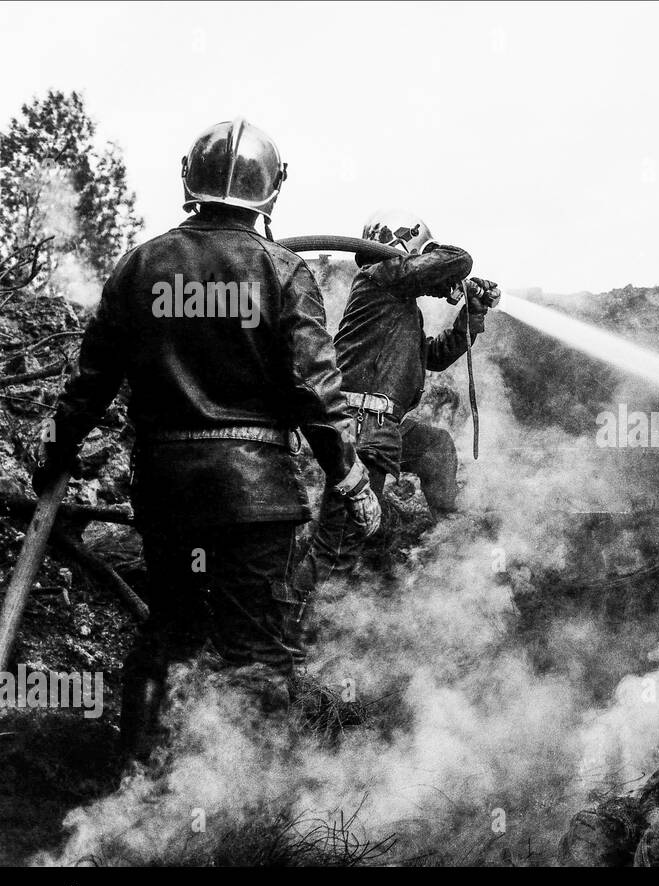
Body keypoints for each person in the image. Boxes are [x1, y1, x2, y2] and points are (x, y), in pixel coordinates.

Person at [33, 118, 381, 759]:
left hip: (169, 494)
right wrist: (352, 478)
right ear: (272, 192)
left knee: (170, 636)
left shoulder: (142, 265)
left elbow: (86, 386)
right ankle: (254, 812)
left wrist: (52, 459)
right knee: (256, 652)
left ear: (187, 180)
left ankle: (139, 786)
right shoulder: (282, 270)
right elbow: (315, 391)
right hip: (256, 497)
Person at [290, 210, 499, 631]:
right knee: (339, 542)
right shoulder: (379, 279)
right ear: (405, 252)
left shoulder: (397, 308)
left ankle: (449, 536)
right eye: (420, 256)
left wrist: (471, 314)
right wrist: (450, 264)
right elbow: (457, 260)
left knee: (435, 445)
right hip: (361, 427)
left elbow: (434, 356)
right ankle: (290, 635)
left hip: (381, 427)